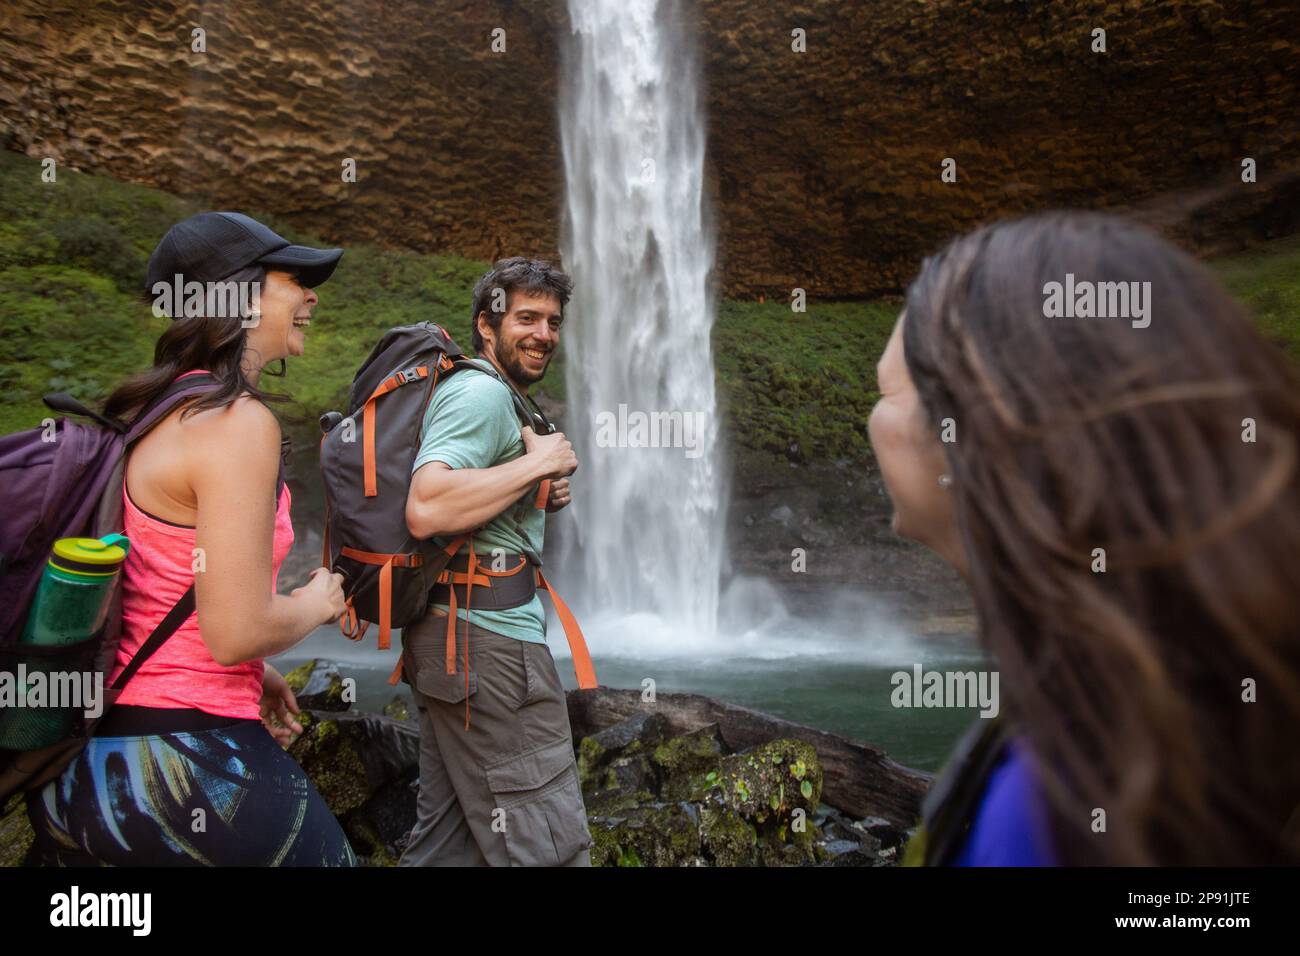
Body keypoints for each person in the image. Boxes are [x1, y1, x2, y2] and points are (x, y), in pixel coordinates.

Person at [869, 210, 1300, 866]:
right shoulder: (1197, 712)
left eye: (888, 390)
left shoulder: (1048, 810)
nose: (877, 419)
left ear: (982, 440)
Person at [25, 212, 357, 866]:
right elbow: (233, 629)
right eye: (295, 278)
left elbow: (165, 584)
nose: (312, 294)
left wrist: (249, 675)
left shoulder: (157, 412)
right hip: (186, 766)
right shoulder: (237, 422)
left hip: (94, 767)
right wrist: (319, 602)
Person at [399, 257, 594, 866]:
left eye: (553, 322)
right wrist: (539, 465)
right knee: (552, 848)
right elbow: (427, 506)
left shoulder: (500, 398)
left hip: (458, 644)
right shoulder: (482, 392)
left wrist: (536, 488)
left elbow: (476, 496)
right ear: (487, 325)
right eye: (527, 318)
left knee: (449, 848)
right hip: (488, 649)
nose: (543, 334)